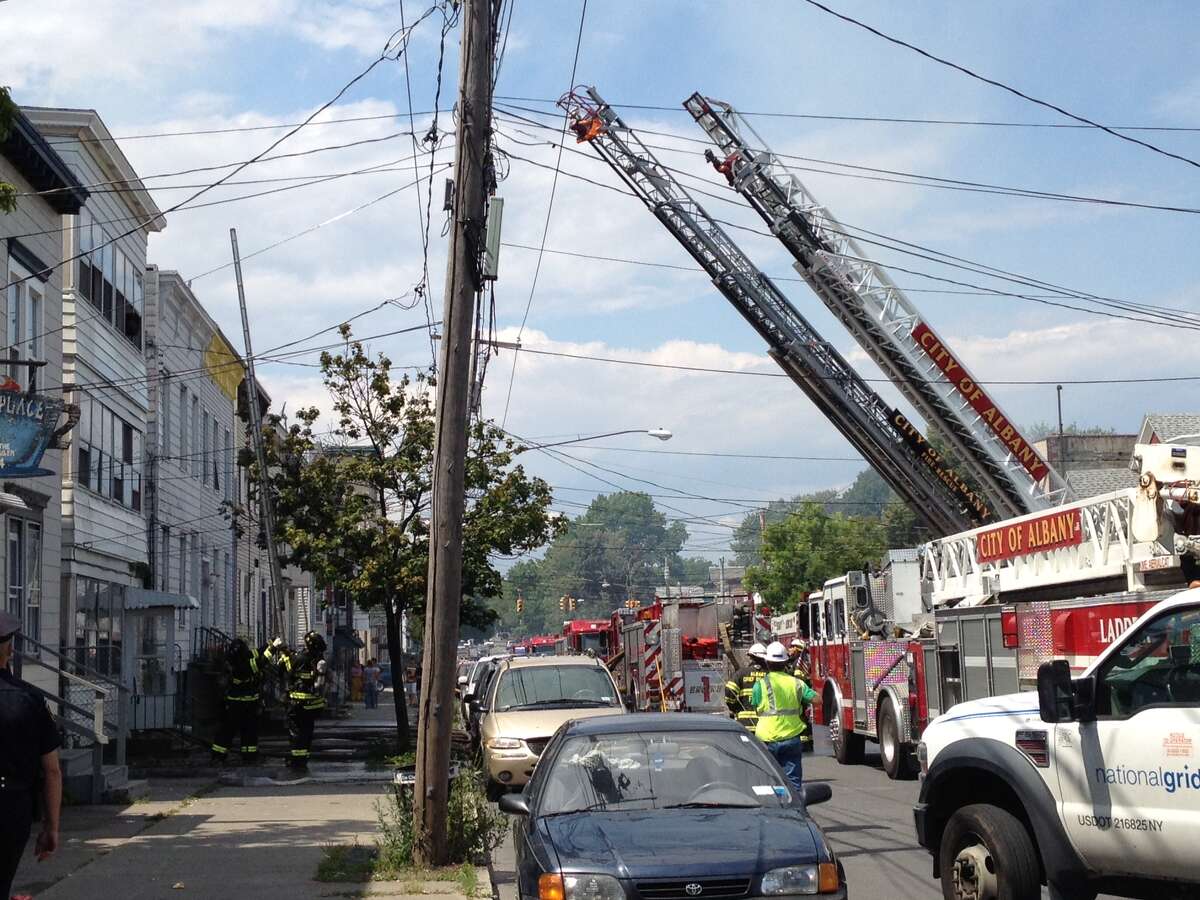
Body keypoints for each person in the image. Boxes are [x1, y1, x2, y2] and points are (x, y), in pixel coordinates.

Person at [0, 611, 61, 898]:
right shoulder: (30, 700)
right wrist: (51, 826)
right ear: (10, 650)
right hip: (10, 807)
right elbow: (52, 770)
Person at [752, 641, 818, 795]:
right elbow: (817, 699)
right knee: (793, 783)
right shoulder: (797, 683)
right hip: (791, 738)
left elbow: (756, 708)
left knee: (768, 780)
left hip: (766, 739)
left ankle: (771, 809)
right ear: (786, 662)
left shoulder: (760, 685)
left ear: (767, 662)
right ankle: (794, 810)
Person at [211, 638, 263, 765]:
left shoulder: (234, 659)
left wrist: (269, 644)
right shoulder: (242, 666)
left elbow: (254, 653)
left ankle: (220, 756)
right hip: (244, 704)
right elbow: (260, 663)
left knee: (229, 731)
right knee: (246, 731)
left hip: (235, 703)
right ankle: (247, 757)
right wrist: (272, 649)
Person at [282, 630, 328, 771]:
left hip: (297, 705)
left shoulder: (300, 658)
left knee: (296, 733)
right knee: (307, 732)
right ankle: (303, 758)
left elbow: (287, 672)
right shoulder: (319, 661)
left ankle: (297, 761)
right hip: (312, 706)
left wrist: (285, 657)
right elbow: (320, 684)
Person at [725, 642, 767, 730]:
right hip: (766, 725)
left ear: (751, 657)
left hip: (745, 724)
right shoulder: (770, 674)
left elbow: (729, 692)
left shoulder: (741, 673)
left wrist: (734, 708)